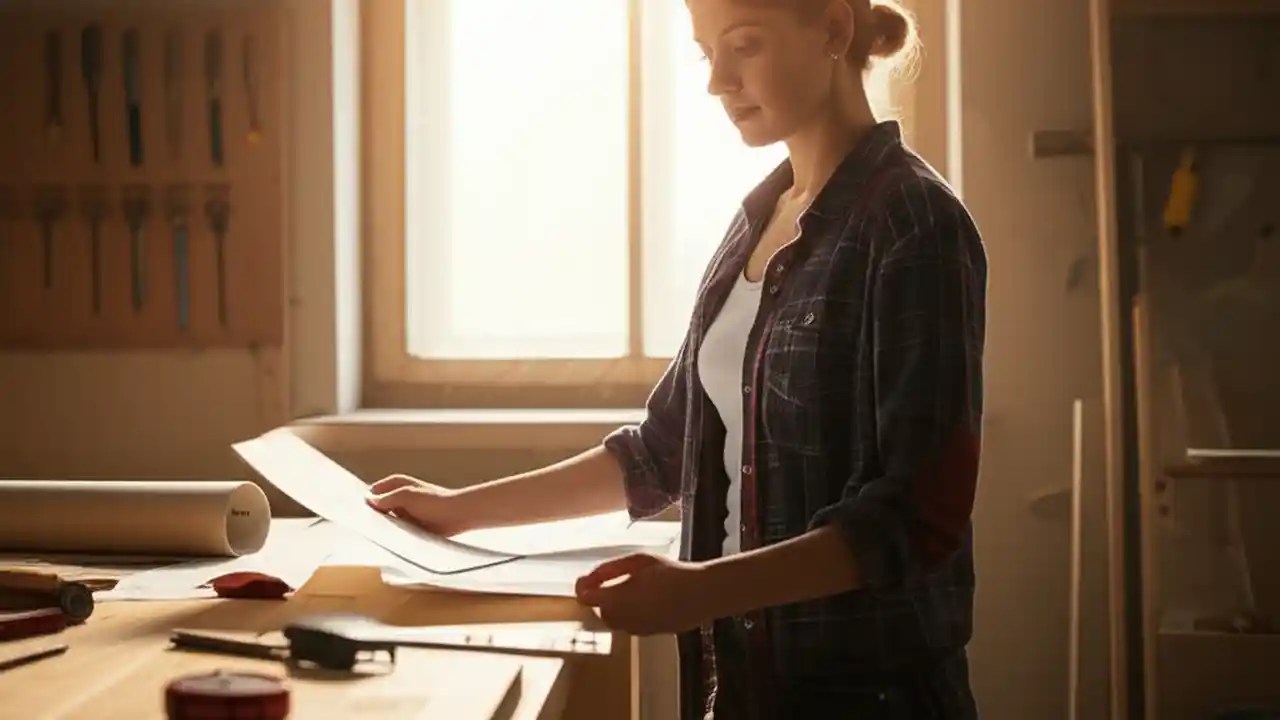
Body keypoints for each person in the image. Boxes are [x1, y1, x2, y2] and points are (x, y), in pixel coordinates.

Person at [366, 0, 987, 717]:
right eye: (705, 54)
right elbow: (661, 452)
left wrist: (700, 590)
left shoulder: (917, 224)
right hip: (737, 685)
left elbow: (917, 516)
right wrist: (456, 512)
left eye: (743, 46)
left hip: (867, 698)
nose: (717, 82)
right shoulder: (755, 220)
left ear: (835, 29)